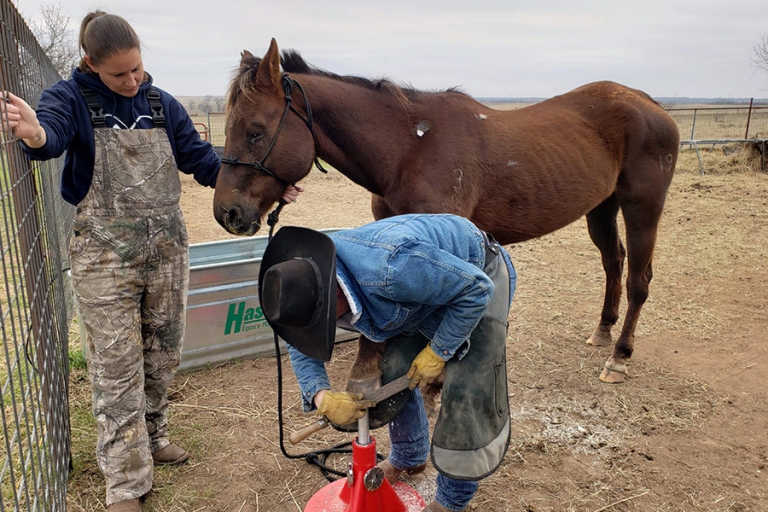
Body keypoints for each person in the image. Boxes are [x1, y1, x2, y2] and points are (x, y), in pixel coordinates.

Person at [0, 11, 300, 512]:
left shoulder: (161, 106)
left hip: (165, 250)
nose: (133, 80)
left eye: (137, 69)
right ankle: (124, 484)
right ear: (91, 64)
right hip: (102, 256)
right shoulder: (69, 99)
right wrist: (34, 135)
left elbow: (204, 162)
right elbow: (50, 136)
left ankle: (155, 436)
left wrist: (267, 183)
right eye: (120, 74)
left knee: (161, 355)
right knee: (116, 369)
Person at [258, 213, 517, 512]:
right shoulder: (300, 283)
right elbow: (299, 341)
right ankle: (409, 456)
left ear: (335, 295)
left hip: (477, 274)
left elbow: (476, 290)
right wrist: (322, 397)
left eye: (322, 323)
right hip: (423, 289)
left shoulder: (393, 269)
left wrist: (439, 351)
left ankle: (452, 501)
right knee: (394, 372)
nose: (320, 331)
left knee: (466, 388)